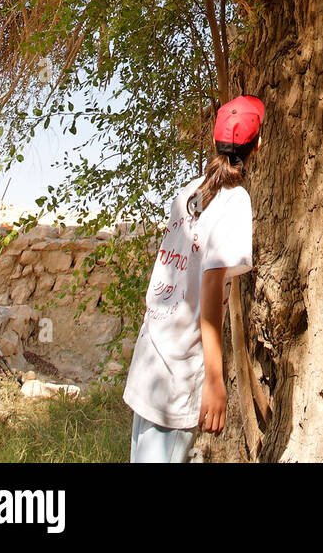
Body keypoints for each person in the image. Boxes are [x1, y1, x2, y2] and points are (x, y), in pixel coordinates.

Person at [123, 94, 265, 462]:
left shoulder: (190, 193)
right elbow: (212, 283)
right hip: (178, 373)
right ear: (258, 145)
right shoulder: (235, 201)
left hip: (151, 359)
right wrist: (216, 381)